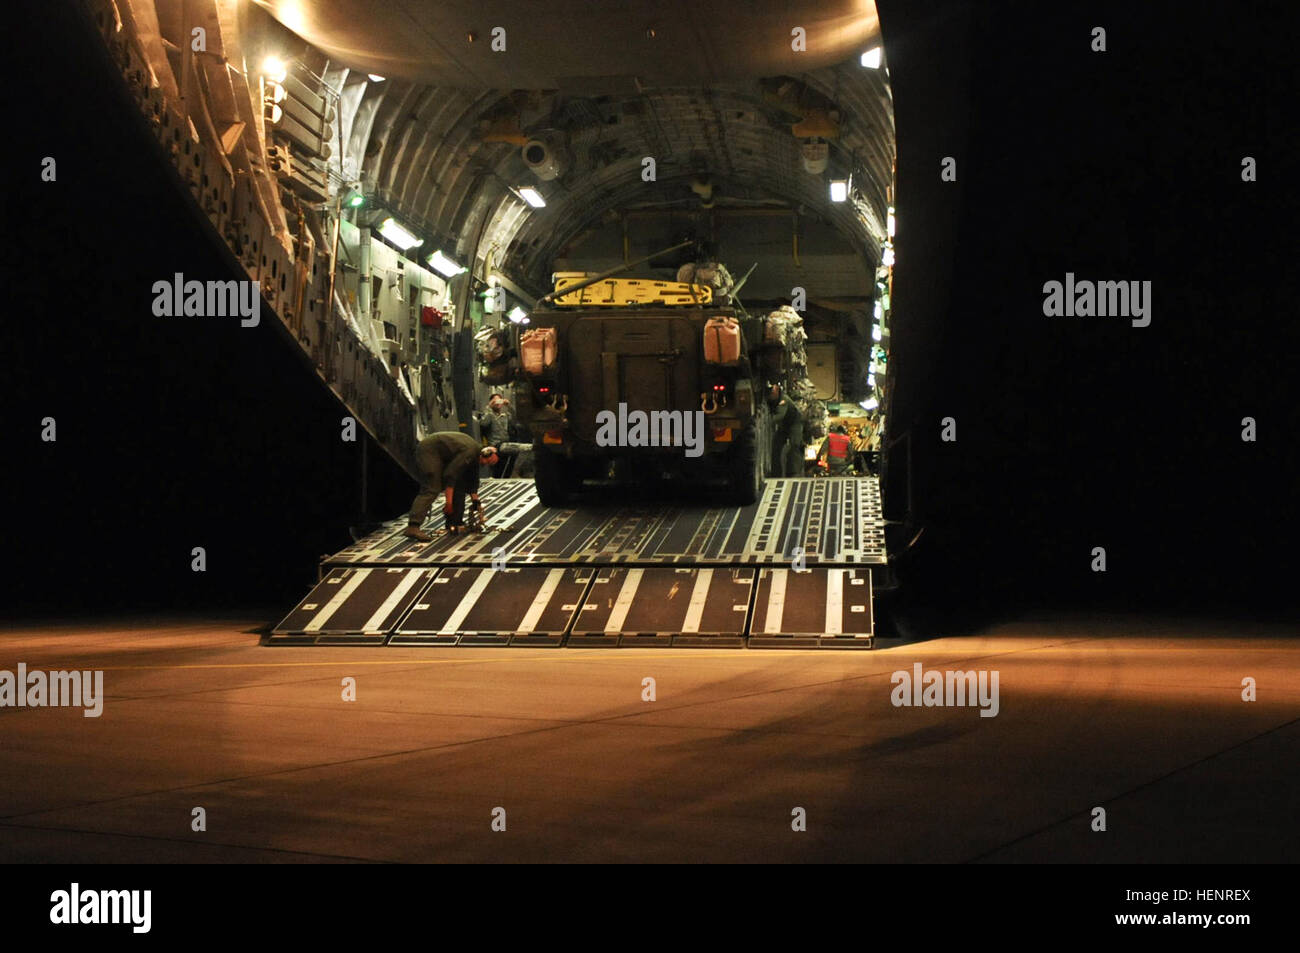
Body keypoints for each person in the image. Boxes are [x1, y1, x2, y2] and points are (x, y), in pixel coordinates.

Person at [405, 431, 499, 541]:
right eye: (487, 462)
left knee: (460, 484)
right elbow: (450, 475)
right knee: (432, 488)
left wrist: (475, 501)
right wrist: (448, 503)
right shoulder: (469, 452)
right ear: (484, 454)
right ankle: (413, 526)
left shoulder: (476, 454)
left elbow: (472, 478)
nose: (485, 465)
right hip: (429, 451)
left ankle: (453, 522)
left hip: (440, 453)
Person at [767, 383, 804, 477]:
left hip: (794, 424)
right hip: (785, 425)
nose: (770, 395)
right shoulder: (775, 400)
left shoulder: (784, 400)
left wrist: (767, 421)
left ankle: (794, 472)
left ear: (777, 391)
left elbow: (779, 416)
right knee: (776, 446)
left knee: (794, 446)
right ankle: (776, 473)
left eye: (772, 392)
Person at [476, 393, 515, 477]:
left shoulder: (505, 415)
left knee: (508, 465)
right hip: (495, 445)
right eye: (495, 401)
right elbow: (483, 423)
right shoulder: (489, 415)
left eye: (499, 401)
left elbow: (516, 420)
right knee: (497, 470)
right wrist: (489, 407)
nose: (497, 403)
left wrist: (509, 406)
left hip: (505, 444)